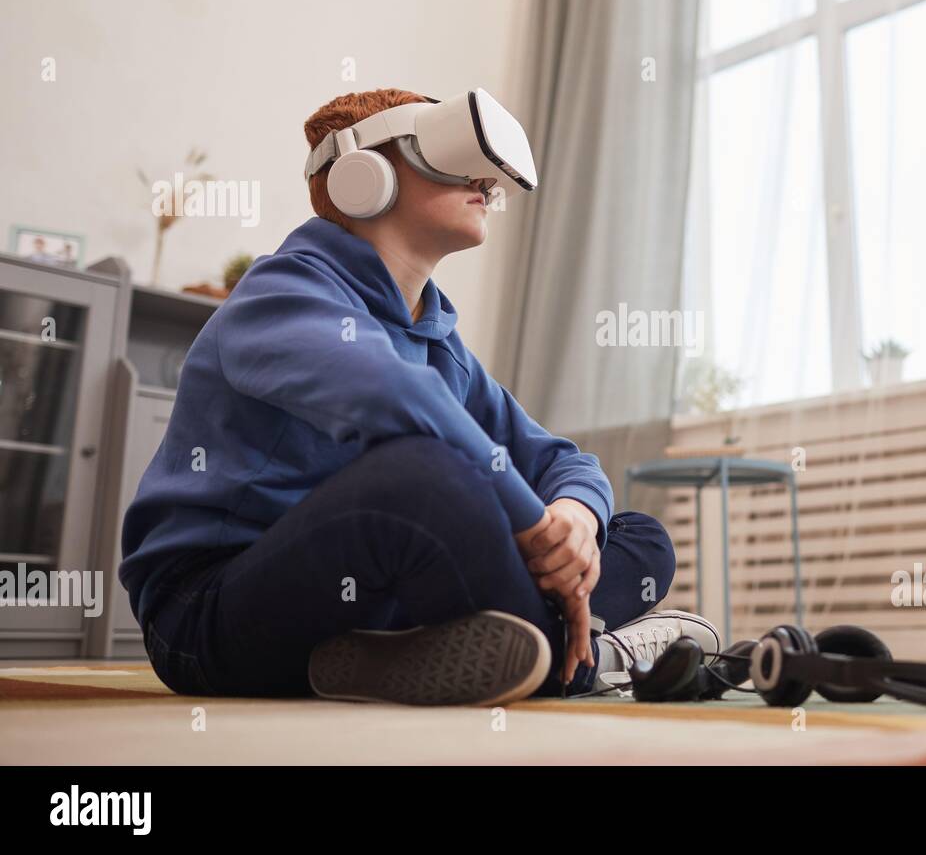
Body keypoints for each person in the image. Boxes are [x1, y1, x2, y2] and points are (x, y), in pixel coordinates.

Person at [121, 87, 717, 705]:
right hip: (208, 613)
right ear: (363, 177)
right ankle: (592, 656)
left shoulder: (439, 341)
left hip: (367, 612)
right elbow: (395, 399)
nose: (485, 184)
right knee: (423, 474)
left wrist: (571, 521)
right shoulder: (279, 291)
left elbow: (561, 460)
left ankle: (442, 652)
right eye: (447, 156)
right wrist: (533, 526)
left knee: (639, 537)